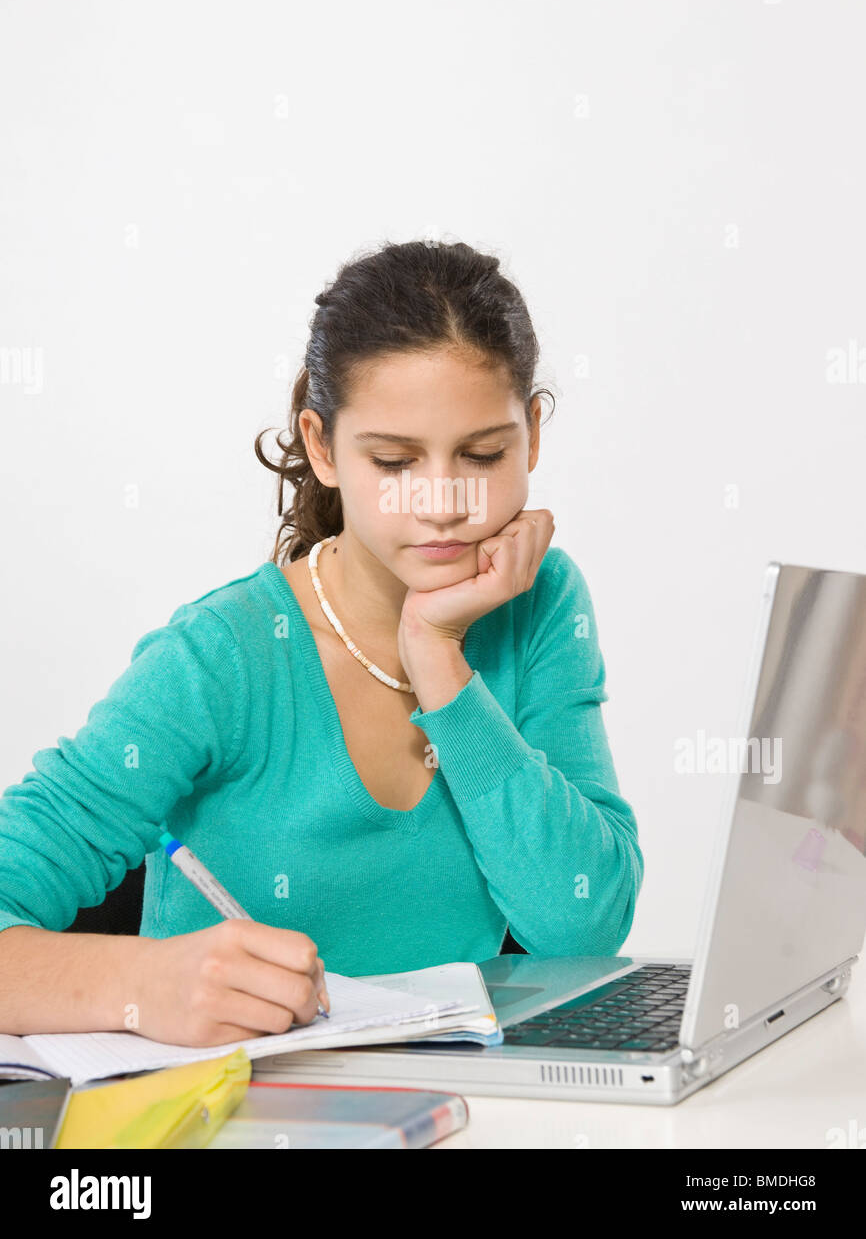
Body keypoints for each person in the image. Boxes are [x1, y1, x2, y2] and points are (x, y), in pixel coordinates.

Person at [0, 238, 644, 1048]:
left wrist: (437, 657)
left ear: (534, 436)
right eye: (394, 460)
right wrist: (141, 982)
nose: (442, 504)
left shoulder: (539, 601)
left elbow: (583, 925)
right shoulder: (221, 659)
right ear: (321, 446)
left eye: (482, 455)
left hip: (473, 1110)